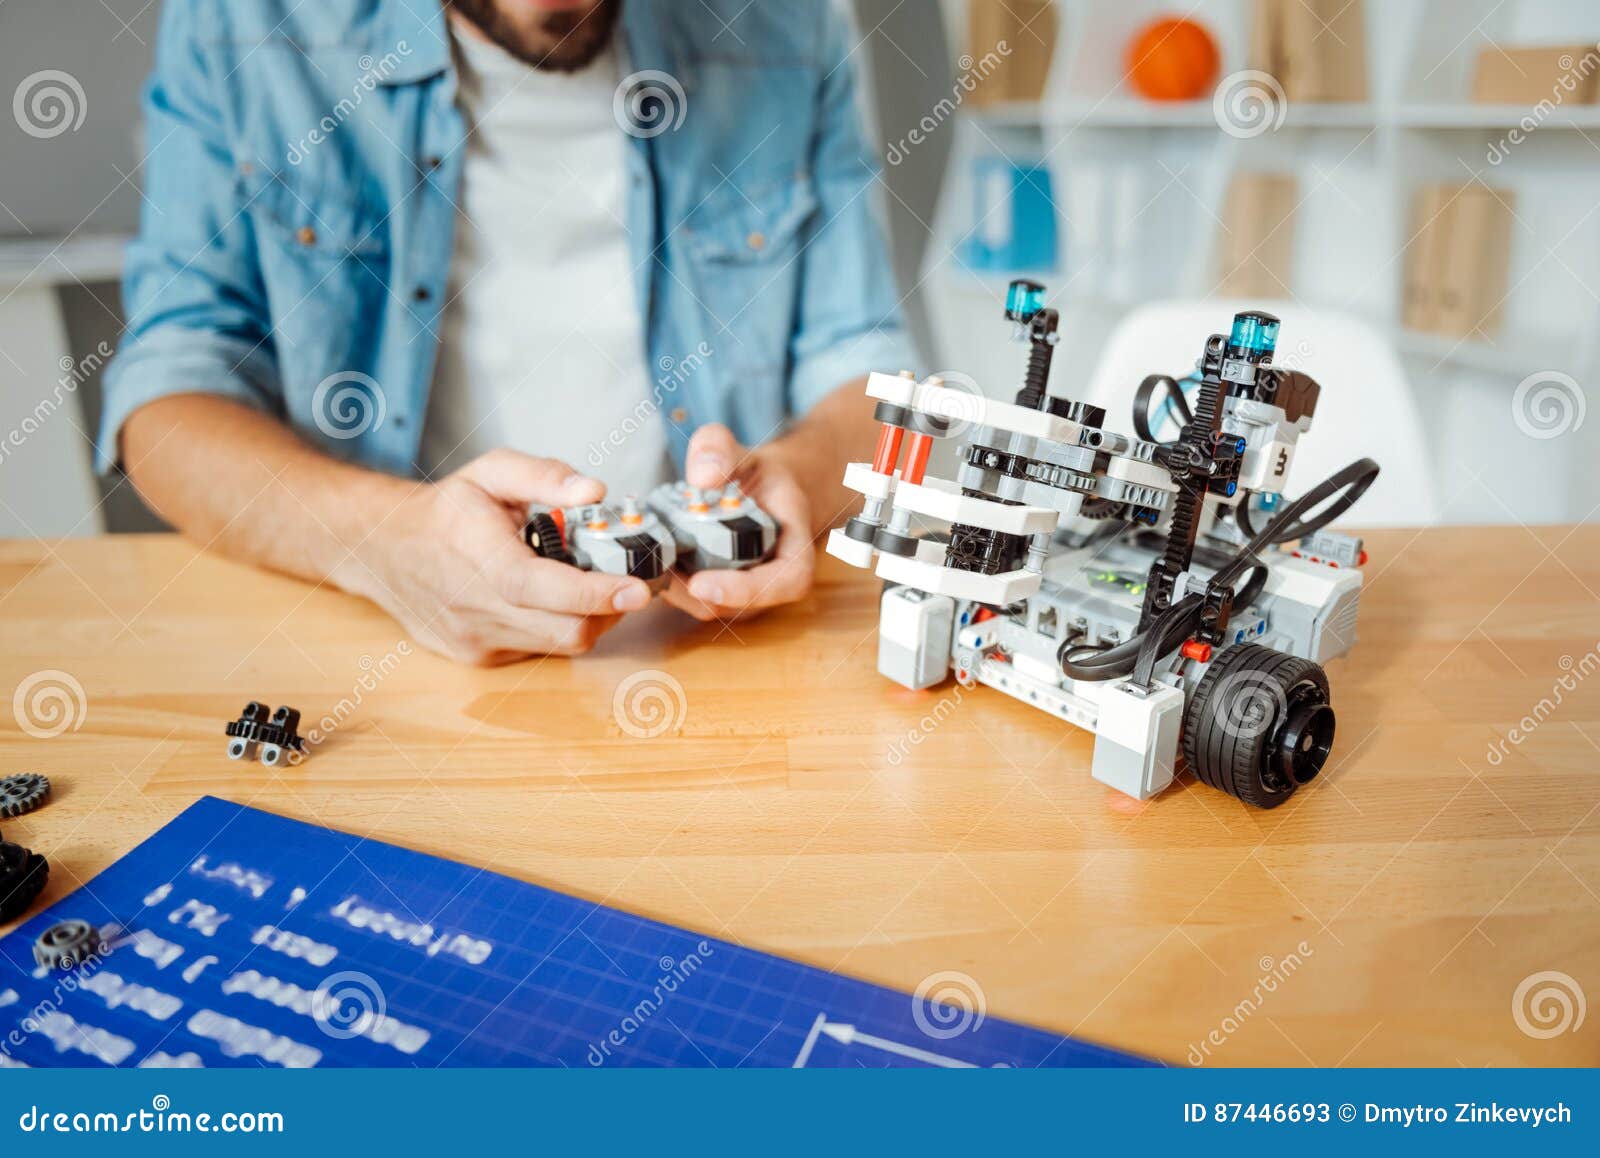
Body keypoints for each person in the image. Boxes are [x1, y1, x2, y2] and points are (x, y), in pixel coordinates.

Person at [104, 0, 912, 663]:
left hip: (717, 654)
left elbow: (867, 367)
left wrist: (799, 484)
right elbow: (167, 403)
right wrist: (383, 542)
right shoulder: (240, 25)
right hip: (381, 656)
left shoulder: (791, 23)